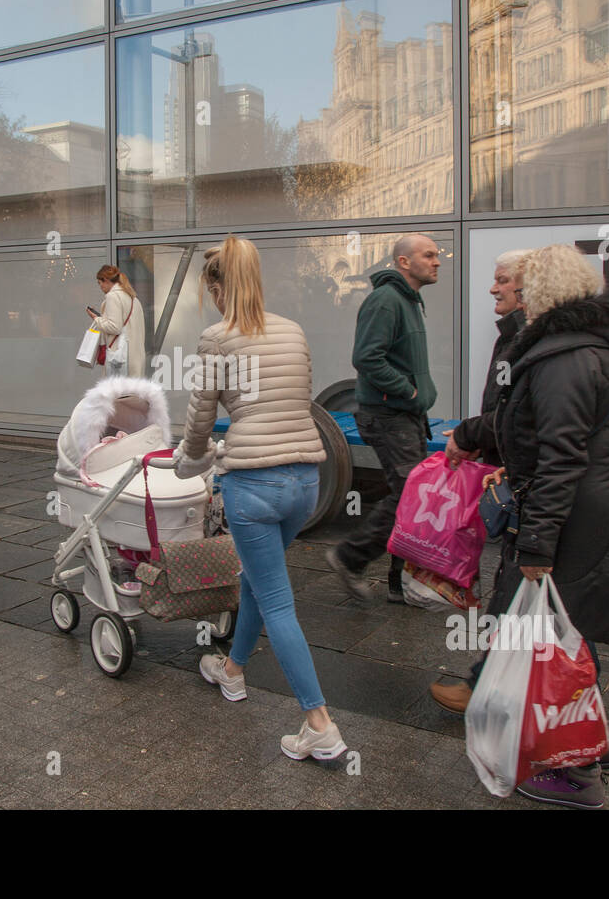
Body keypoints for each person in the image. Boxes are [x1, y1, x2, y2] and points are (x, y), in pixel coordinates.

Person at [448, 244, 609, 809]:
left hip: (570, 517)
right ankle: (598, 739)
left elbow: (560, 455)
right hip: (596, 510)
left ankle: (572, 768)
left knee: (544, 632)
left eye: (520, 284)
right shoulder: (591, 346)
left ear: (541, 291)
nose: (507, 294)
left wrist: (537, 541)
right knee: (565, 627)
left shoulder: (564, 356)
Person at [176, 236, 346, 761]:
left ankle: (319, 723)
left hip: (254, 484)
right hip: (306, 486)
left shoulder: (216, 338)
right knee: (256, 577)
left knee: (277, 600)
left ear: (219, 287)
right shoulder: (293, 332)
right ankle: (232, 671)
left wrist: (188, 462)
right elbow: (299, 403)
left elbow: (201, 419)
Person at [429, 249, 527, 710]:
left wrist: (471, 435)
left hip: (540, 490)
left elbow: (517, 417)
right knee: (524, 591)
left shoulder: (530, 340)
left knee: (521, 586)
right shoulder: (517, 334)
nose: (493, 288)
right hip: (526, 479)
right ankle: (486, 682)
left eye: (503, 280)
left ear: (528, 287)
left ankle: (484, 685)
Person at [325, 233, 441, 603]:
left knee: (410, 494)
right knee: (410, 494)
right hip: (390, 414)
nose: (437, 261)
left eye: (437, 255)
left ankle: (399, 584)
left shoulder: (408, 300)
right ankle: (349, 557)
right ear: (404, 262)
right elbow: (367, 358)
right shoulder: (387, 300)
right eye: (429, 255)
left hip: (405, 414)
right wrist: (406, 391)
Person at [88, 265, 145, 377]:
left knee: (116, 392)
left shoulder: (112, 297)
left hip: (120, 358)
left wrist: (96, 318)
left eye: (100, 283)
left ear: (106, 280)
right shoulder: (133, 298)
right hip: (135, 357)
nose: (100, 287)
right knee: (133, 392)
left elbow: (114, 327)